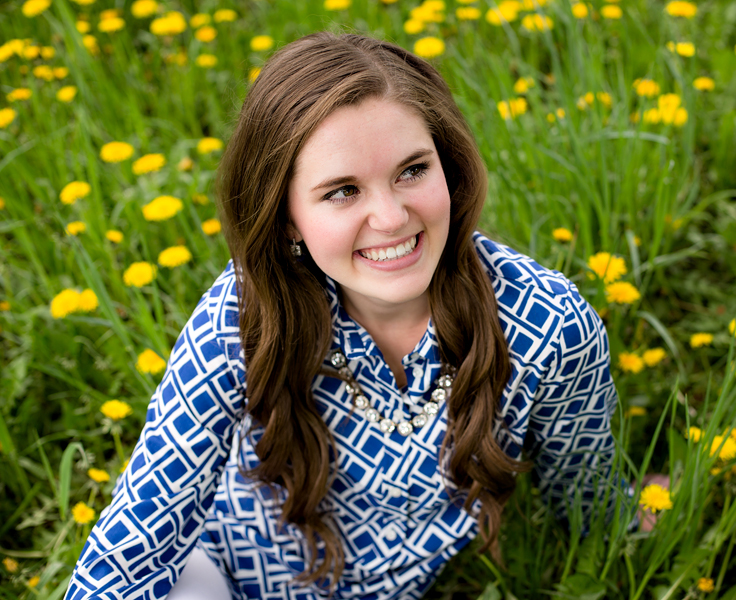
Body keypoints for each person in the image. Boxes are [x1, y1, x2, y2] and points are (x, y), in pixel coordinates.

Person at [65, 32, 626, 600]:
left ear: (448, 167)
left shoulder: (547, 322)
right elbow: (130, 548)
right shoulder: (241, 316)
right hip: (214, 571)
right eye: (342, 191)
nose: (390, 217)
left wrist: (625, 523)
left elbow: (583, 479)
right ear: (286, 217)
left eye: (412, 171)